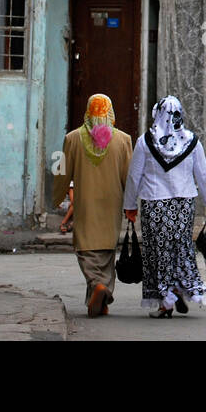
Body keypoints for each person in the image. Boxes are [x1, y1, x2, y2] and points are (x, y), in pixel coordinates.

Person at [124, 95, 206, 318]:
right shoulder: (192, 141)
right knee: (180, 248)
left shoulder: (145, 142)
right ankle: (176, 289)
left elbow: (134, 177)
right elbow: (202, 174)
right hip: (184, 204)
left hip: (155, 204)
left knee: (158, 252)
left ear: (158, 114)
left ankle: (166, 302)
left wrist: (129, 205)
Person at [51, 93, 133, 318]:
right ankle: (100, 296)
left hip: (85, 203)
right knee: (106, 249)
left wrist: (57, 196)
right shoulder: (123, 139)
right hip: (112, 203)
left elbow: (61, 172)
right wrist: (132, 204)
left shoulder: (72, 139)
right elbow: (130, 177)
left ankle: (97, 285)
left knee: (86, 249)